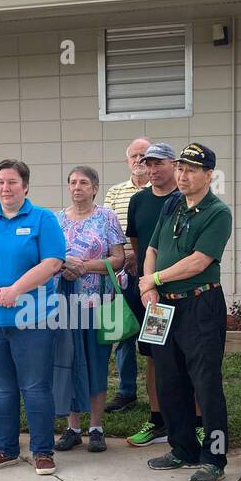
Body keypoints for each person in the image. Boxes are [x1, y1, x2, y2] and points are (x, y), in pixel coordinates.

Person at [0, 159, 65, 475]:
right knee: (0, 387)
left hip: (32, 318)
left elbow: (52, 262)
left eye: (12, 182)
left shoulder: (43, 219)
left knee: (34, 386)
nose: (5, 187)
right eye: (1, 182)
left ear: (26, 186)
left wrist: (15, 290)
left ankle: (42, 450)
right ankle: (5, 448)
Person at [141, 142, 233, 481]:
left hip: (200, 305)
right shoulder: (172, 204)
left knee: (206, 384)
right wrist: (148, 287)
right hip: (162, 305)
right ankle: (182, 448)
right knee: (168, 378)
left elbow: (199, 260)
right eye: (180, 168)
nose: (182, 175)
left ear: (209, 175)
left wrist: (155, 278)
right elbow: (151, 248)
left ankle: (215, 456)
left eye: (191, 170)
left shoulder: (217, 212)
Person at [54, 166, 126, 453]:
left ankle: (96, 427)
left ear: (95, 188)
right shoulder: (57, 219)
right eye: (72, 182)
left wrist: (85, 266)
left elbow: (119, 259)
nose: (77, 187)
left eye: (84, 182)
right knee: (68, 361)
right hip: (65, 302)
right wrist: (65, 267)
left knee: (96, 361)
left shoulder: (106, 217)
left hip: (98, 302)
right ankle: (72, 427)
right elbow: (48, 258)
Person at [124, 142, 179, 448]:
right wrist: (148, 282)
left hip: (183, 294)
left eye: (159, 163)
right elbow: (137, 241)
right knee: (153, 354)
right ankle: (157, 420)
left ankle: (195, 422)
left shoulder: (184, 199)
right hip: (150, 295)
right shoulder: (139, 201)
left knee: (187, 357)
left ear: (174, 165)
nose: (153, 170)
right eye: (148, 164)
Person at [100, 136, 151, 413]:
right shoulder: (115, 193)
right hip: (122, 275)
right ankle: (126, 392)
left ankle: (162, 393)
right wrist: (123, 259)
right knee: (122, 333)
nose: (139, 160)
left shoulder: (161, 191)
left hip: (153, 273)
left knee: (155, 334)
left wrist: (137, 256)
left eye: (144, 155)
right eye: (134, 156)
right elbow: (108, 231)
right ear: (127, 161)